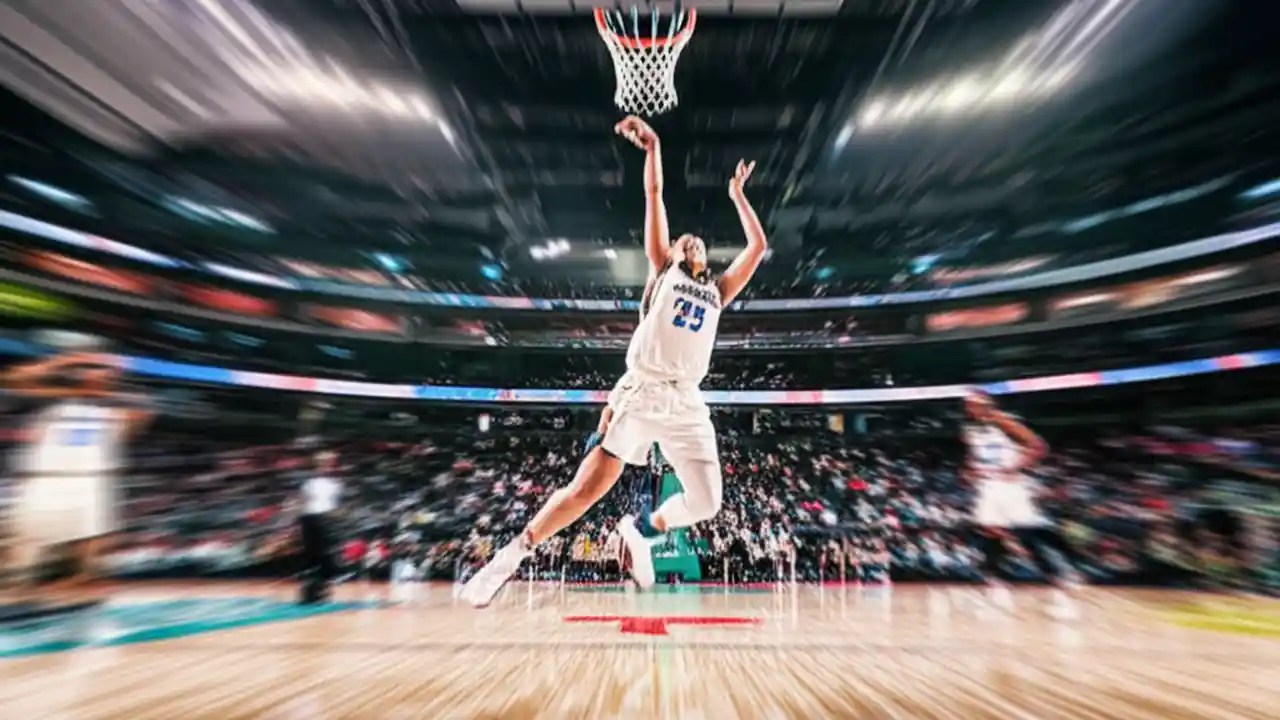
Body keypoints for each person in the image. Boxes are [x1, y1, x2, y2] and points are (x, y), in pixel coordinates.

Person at [458, 115, 767, 606]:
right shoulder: (664, 270)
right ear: (674, 253)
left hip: (687, 401)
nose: (695, 240)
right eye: (687, 239)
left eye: (701, 242)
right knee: (585, 490)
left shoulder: (718, 290)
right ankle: (510, 556)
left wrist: (737, 196)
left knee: (708, 502)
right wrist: (653, 149)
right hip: (642, 390)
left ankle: (643, 532)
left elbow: (758, 247)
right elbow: (655, 195)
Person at [5, 351, 153, 602]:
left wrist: (105, 387)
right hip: (45, 477)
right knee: (27, 536)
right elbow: (14, 380)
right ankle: (20, 586)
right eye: (90, 369)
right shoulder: (51, 400)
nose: (96, 374)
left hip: (91, 478)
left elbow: (143, 413)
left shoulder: (119, 406)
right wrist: (62, 362)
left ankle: (82, 588)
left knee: (90, 541)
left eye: (101, 371)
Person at [962, 389, 1085, 615]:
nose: (970, 406)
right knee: (989, 530)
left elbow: (1038, 446)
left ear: (988, 403)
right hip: (989, 484)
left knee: (1025, 531)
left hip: (1011, 484)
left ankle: (1061, 573)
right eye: (968, 403)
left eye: (974, 402)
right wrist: (971, 471)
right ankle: (995, 576)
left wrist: (1016, 466)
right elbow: (975, 456)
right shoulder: (970, 429)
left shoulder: (1004, 421)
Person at [298, 451, 342, 604]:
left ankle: (321, 589)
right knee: (313, 555)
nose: (330, 466)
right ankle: (312, 590)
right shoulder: (310, 483)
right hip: (312, 518)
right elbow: (303, 501)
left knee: (324, 556)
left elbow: (334, 506)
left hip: (323, 518)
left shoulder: (335, 484)